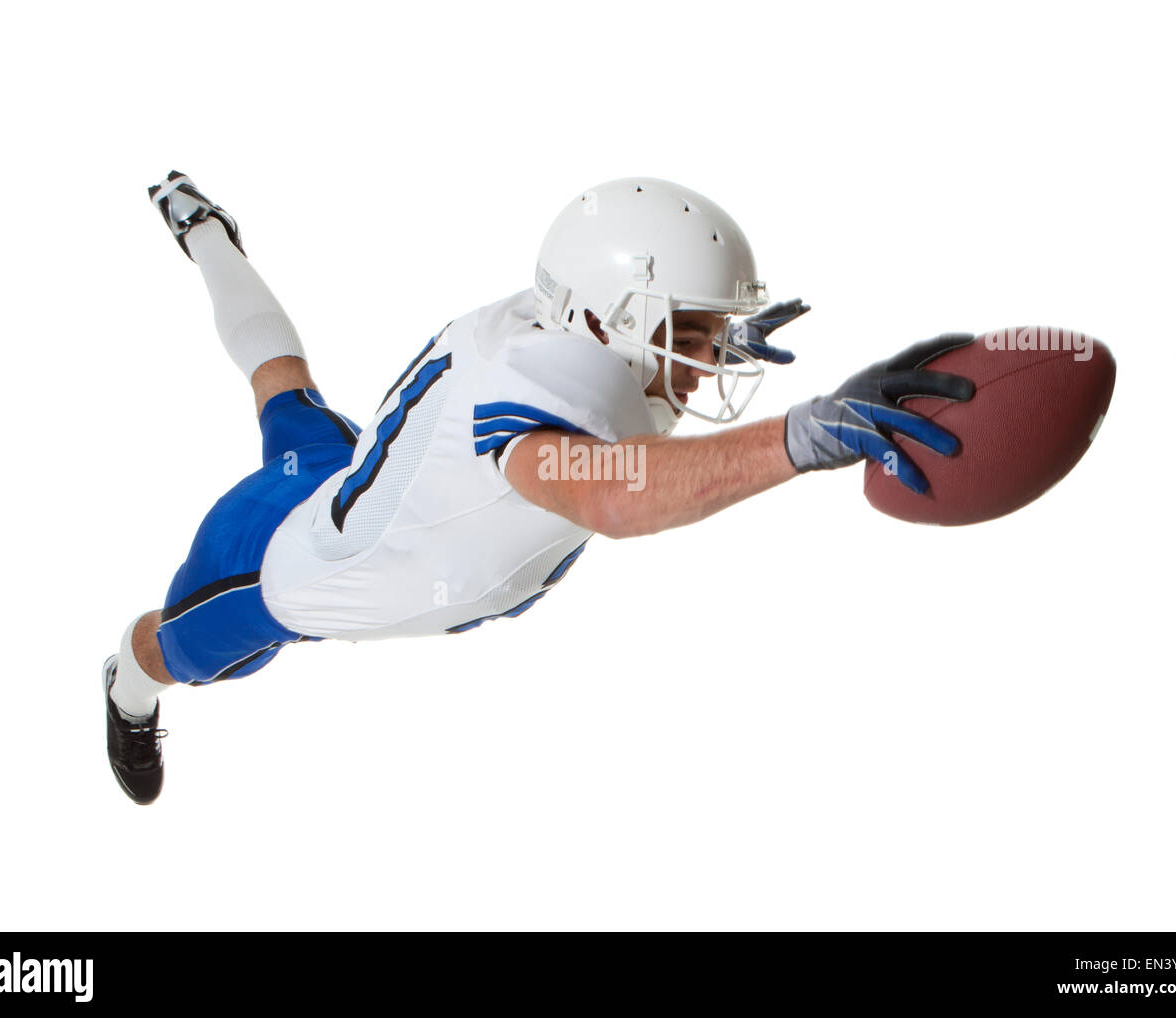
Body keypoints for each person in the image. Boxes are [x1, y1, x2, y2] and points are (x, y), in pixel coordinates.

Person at [104, 172, 975, 805]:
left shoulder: (559, 309)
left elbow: (611, 352)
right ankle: (122, 689)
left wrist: (700, 331)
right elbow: (612, 496)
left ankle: (206, 229)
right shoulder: (539, 396)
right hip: (278, 569)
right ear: (606, 322)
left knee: (283, 386)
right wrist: (800, 434)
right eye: (694, 335)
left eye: (716, 334)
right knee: (170, 651)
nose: (708, 362)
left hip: (355, 479)